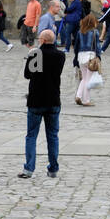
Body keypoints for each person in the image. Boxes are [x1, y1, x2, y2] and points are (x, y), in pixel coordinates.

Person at [19, 29, 64, 179]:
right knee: (53, 136)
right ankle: (53, 169)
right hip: (53, 100)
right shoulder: (60, 55)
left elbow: (28, 75)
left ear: (43, 40)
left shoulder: (35, 54)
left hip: (36, 100)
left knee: (31, 135)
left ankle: (29, 168)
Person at [73, 12, 101, 107]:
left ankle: (78, 95)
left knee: (84, 78)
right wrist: (98, 56)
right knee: (88, 79)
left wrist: (76, 57)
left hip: (81, 56)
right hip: (90, 56)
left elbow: (76, 46)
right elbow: (97, 46)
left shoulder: (80, 32)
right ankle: (86, 100)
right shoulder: (95, 32)